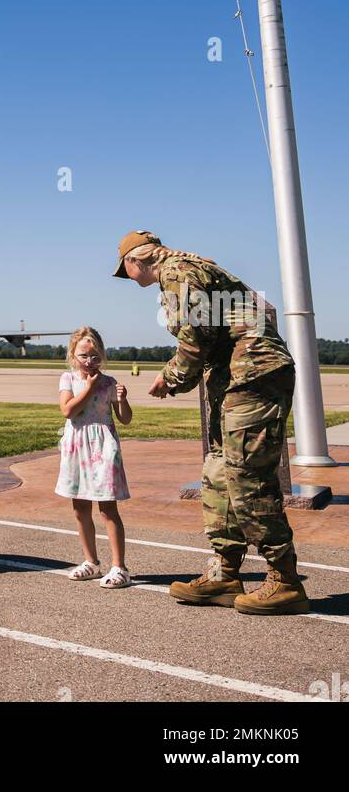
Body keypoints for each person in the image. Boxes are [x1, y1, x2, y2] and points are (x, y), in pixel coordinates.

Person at [113, 229, 309, 615]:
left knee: (247, 476)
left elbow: (197, 333)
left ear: (136, 260)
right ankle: (225, 574)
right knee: (218, 473)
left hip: (254, 377)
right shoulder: (185, 270)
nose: (129, 278)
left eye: (126, 271)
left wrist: (170, 378)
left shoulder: (178, 271)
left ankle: (284, 580)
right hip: (233, 381)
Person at [57, 326, 132, 588]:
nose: (89, 362)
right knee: (80, 508)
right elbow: (68, 410)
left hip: (102, 448)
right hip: (77, 447)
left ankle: (119, 567)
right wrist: (89, 388)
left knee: (108, 508)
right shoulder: (68, 379)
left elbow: (125, 419)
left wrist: (123, 400)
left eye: (95, 357)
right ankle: (91, 561)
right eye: (84, 356)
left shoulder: (109, 383)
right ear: (73, 355)